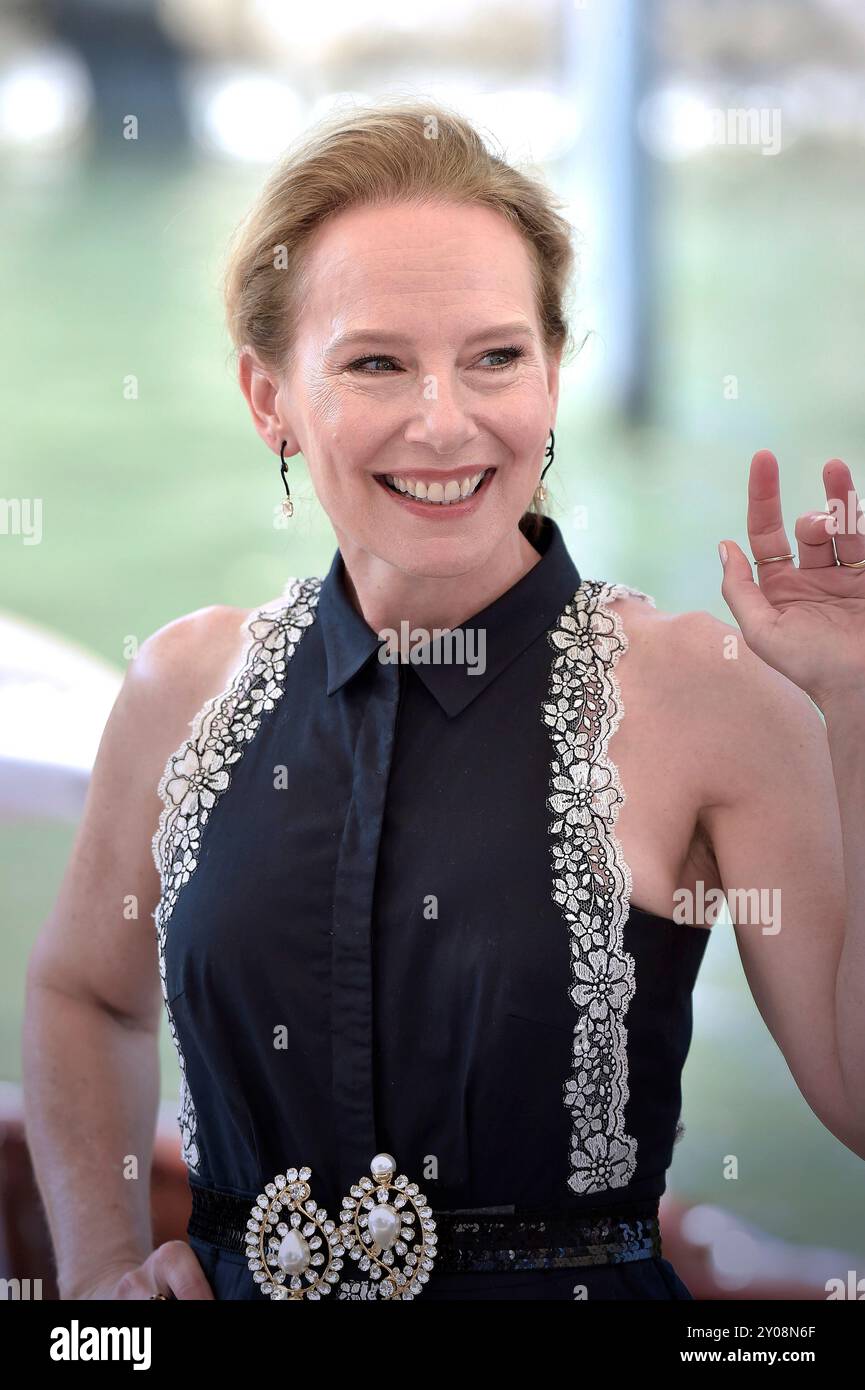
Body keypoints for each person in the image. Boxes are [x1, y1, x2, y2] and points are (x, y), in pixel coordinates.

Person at [22, 100, 865, 1302]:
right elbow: (82, 992)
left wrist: (859, 708)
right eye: (376, 362)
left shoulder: (711, 698)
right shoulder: (180, 688)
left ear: (554, 375)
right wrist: (101, 1278)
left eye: (494, 356)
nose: (443, 420)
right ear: (270, 399)